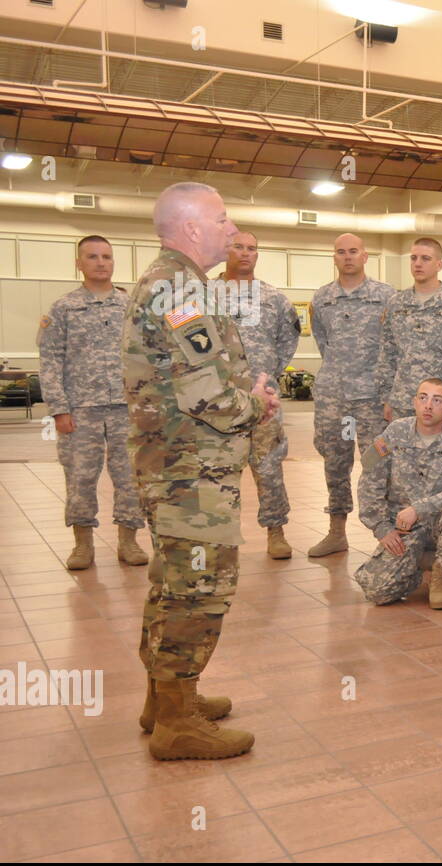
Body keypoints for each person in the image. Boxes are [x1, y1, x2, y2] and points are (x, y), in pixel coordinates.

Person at [123, 181, 279, 761]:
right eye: (221, 219)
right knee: (197, 589)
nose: (231, 230)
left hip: (178, 467)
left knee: (172, 584)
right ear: (190, 227)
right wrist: (256, 403)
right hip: (191, 473)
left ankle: (165, 699)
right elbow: (207, 394)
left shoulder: (172, 284)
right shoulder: (178, 290)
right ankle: (176, 723)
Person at [39, 235, 149, 570]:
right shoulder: (63, 309)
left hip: (126, 409)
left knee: (130, 476)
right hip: (80, 410)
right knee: (80, 477)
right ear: (79, 263)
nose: (101, 262)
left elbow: (147, 357)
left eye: (106, 256)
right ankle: (82, 545)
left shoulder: (132, 307)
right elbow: (50, 361)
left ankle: (128, 542)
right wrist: (59, 409)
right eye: (92, 256)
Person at [354, 378, 442, 609]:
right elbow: (369, 479)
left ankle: (441, 574)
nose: (428, 406)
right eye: (423, 398)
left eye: (437, 400)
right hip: (404, 526)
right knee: (377, 591)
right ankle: (421, 560)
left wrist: (421, 508)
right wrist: (381, 527)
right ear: (414, 402)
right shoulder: (394, 433)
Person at [307, 233, 395, 557]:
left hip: (372, 398)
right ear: (334, 257)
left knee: (377, 463)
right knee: (336, 462)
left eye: (353, 251)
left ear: (365, 256)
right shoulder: (322, 299)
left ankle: (385, 536)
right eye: (341, 252)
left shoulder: (386, 296)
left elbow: (393, 345)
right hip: (336, 399)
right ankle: (336, 532)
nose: (347, 257)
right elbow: (322, 342)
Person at [221, 230, 299, 559]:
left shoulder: (274, 298)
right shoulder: (199, 295)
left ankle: (276, 531)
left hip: (263, 399)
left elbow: (288, 339)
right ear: (226, 250)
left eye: (252, 248)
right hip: (217, 401)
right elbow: (181, 338)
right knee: (219, 470)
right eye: (238, 247)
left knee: (268, 465)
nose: (245, 253)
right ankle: (220, 535)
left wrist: (267, 375)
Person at [377, 238, 442, 426]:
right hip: (404, 400)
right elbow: (387, 354)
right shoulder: (395, 303)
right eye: (414, 258)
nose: (418, 263)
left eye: (425, 258)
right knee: (404, 454)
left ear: (439, 264)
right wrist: (387, 397)